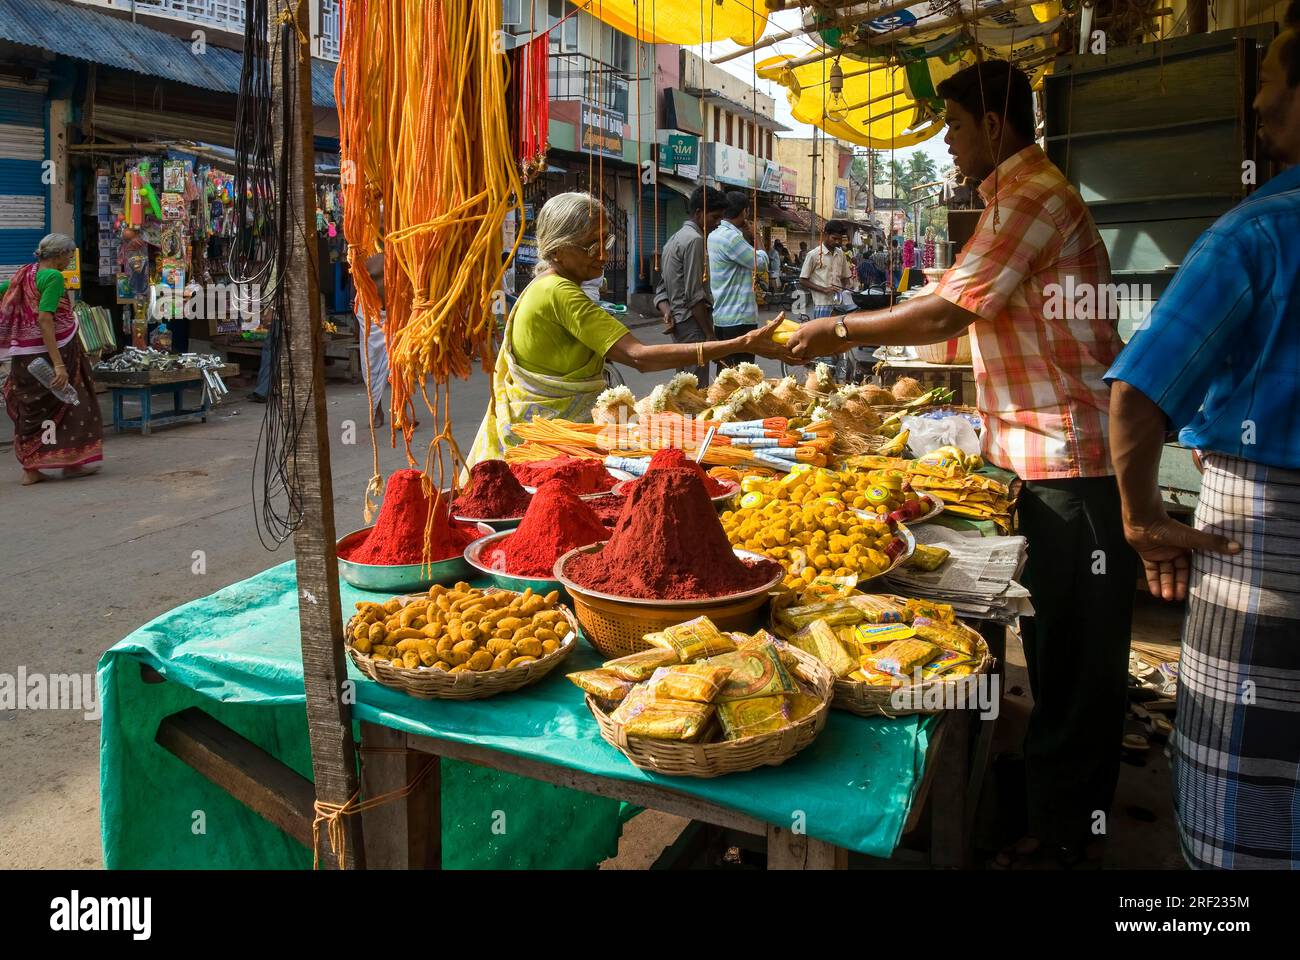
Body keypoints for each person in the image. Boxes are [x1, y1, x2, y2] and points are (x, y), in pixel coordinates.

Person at [787, 59, 1134, 869]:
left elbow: (949, 307)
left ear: (996, 121)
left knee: (1079, 665)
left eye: (954, 122)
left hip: (1071, 459)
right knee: (1054, 647)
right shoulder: (1009, 201)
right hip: (1040, 456)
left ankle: (1063, 836)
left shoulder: (1033, 196)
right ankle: (1045, 794)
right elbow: (957, 305)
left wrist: (840, 331)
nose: (947, 138)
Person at [1105, 2, 1300, 870]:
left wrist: (1142, 518)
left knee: (1245, 800)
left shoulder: (1259, 232)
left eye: (1271, 88)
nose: (1258, 107)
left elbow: (1138, 396)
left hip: (1265, 546)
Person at [468, 192, 786, 464]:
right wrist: (741, 343)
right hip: (550, 439)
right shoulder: (559, 292)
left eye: (606, 241)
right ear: (558, 250)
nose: (604, 255)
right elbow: (639, 356)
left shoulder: (545, 284)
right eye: (592, 246)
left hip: (544, 430)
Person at [1, 233, 104, 485]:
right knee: (74, 404)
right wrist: (58, 364)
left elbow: (4, 293)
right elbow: (45, 319)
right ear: (59, 256)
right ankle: (72, 463)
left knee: (33, 409)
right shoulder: (54, 277)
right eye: (69, 254)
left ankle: (31, 468)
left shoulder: (24, 273)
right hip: (52, 352)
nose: (70, 259)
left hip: (24, 358)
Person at [655, 185, 727, 384]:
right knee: (696, 388)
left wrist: (667, 310)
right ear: (699, 213)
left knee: (684, 385)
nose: (718, 223)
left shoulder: (674, 239)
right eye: (715, 218)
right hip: (693, 325)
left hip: (679, 323)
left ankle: (685, 417)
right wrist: (709, 334)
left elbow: (661, 289)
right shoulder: (695, 240)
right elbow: (695, 295)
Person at [709, 190, 761, 367]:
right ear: (745, 211)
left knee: (726, 375)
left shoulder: (714, 235)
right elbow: (760, 263)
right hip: (739, 318)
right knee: (744, 375)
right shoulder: (731, 238)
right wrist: (757, 237)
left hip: (722, 317)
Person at [798, 221, 853, 319]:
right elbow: (802, 280)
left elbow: (845, 278)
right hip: (822, 304)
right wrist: (824, 289)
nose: (837, 242)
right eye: (834, 238)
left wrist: (848, 288)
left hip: (839, 303)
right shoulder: (813, 255)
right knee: (823, 334)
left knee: (840, 332)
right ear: (826, 235)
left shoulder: (841, 254)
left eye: (840, 239)